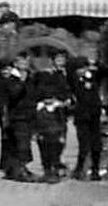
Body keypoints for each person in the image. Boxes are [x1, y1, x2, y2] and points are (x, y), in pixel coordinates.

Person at [30, 50, 73, 183]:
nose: (61, 60)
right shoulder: (46, 74)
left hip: (60, 112)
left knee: (59, 141)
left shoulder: (67, 74)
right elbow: (39, 91)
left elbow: (68, 91)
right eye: (58, 58)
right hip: (47, 112)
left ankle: (55, 165)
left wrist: (67, 101)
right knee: (46, 141)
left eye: (62, 58)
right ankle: (49, 169)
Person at [0, 51, 36, 182]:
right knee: (21, 143)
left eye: (26, 61)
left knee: (23, 142)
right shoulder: (11, 79)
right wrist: (22, 82)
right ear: (16, 64)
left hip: (29, 114)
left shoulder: (30, 77)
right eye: (21, 62)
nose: (24, 64)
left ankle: (18, 168)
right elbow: (13, 94)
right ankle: (20, 169)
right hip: (17, 116)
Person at [68, 55, 104, 181]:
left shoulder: (92, 77)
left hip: (94, 114)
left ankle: (95, 169)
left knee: (96, 144)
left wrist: (96, 62)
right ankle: (79, 169)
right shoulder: (73, 80)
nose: (84, 70)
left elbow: (106, 71)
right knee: (84, 144)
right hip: (82, 115)